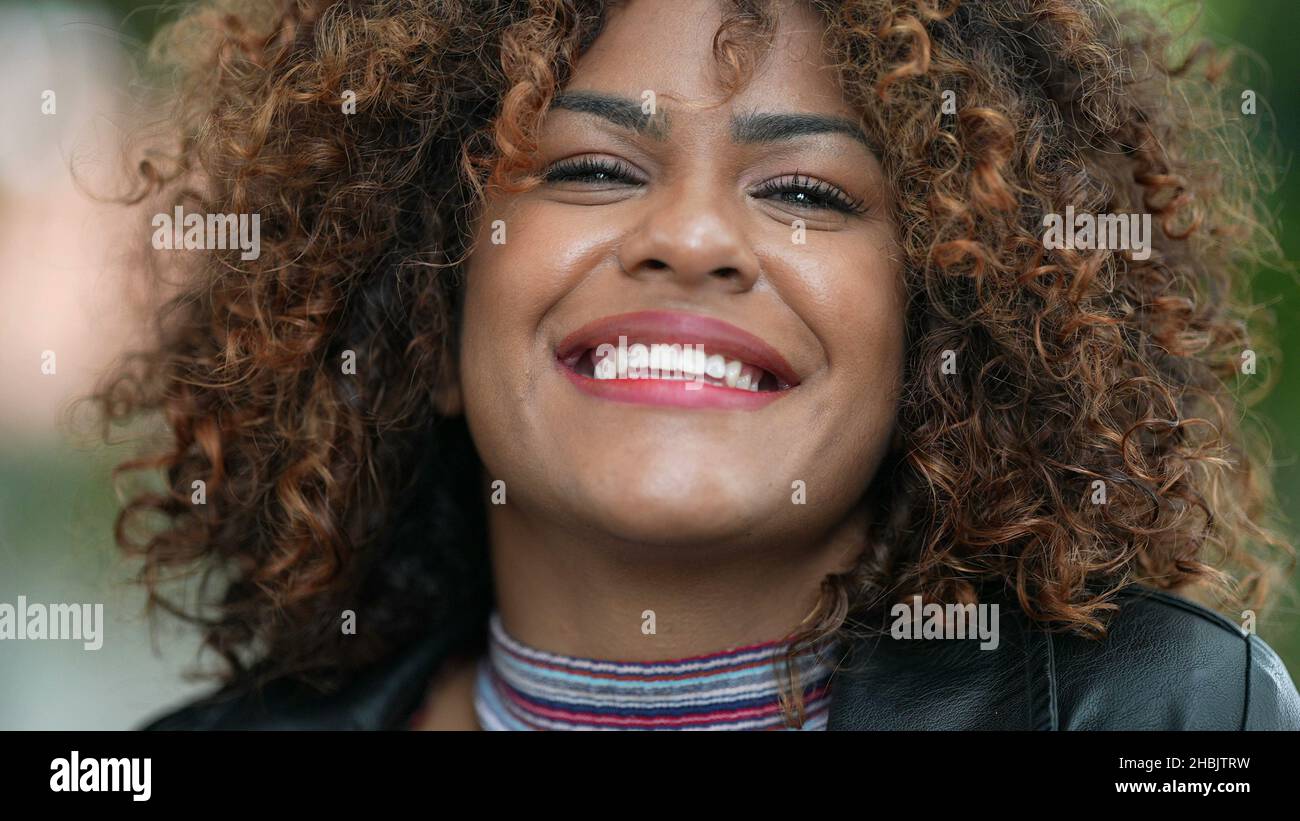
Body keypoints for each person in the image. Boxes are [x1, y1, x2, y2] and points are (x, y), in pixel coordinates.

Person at [99, 0, 1300, 730]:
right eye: (591, 168)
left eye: (806, 192)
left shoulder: (1168, 717)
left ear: (939, 345)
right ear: (426, 313)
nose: (689, 237)